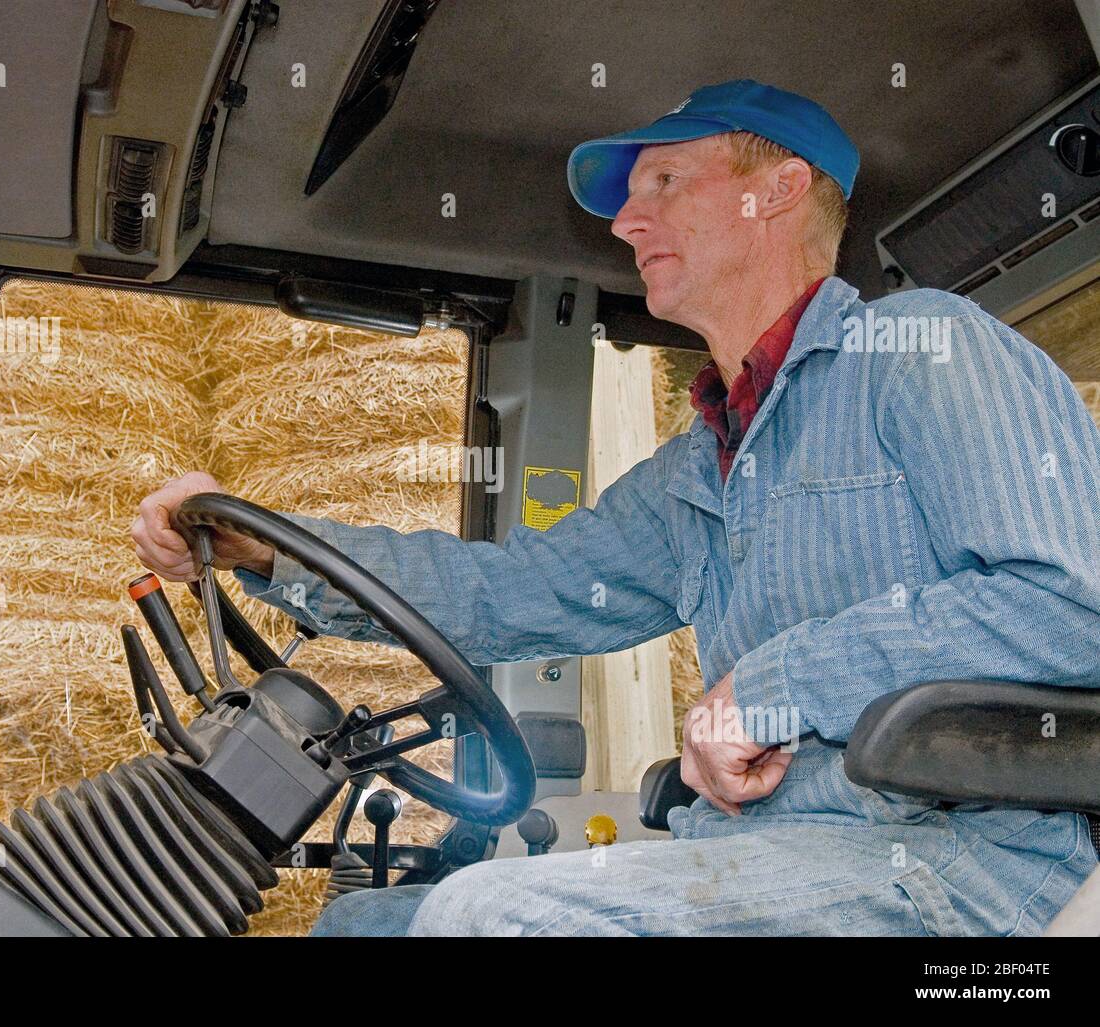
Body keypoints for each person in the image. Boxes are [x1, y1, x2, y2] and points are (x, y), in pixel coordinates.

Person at [132, 80, 1100, 936]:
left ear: (777, 190)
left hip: (958, 870)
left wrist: (780, 683)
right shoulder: (695, 474)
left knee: (485, 917)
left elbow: (1070, 603)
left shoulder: (924, 350)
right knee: (370, 923)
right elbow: (503, 591)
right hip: (773, 850)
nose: (626, 224)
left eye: (662, 186)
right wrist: (264, 551)